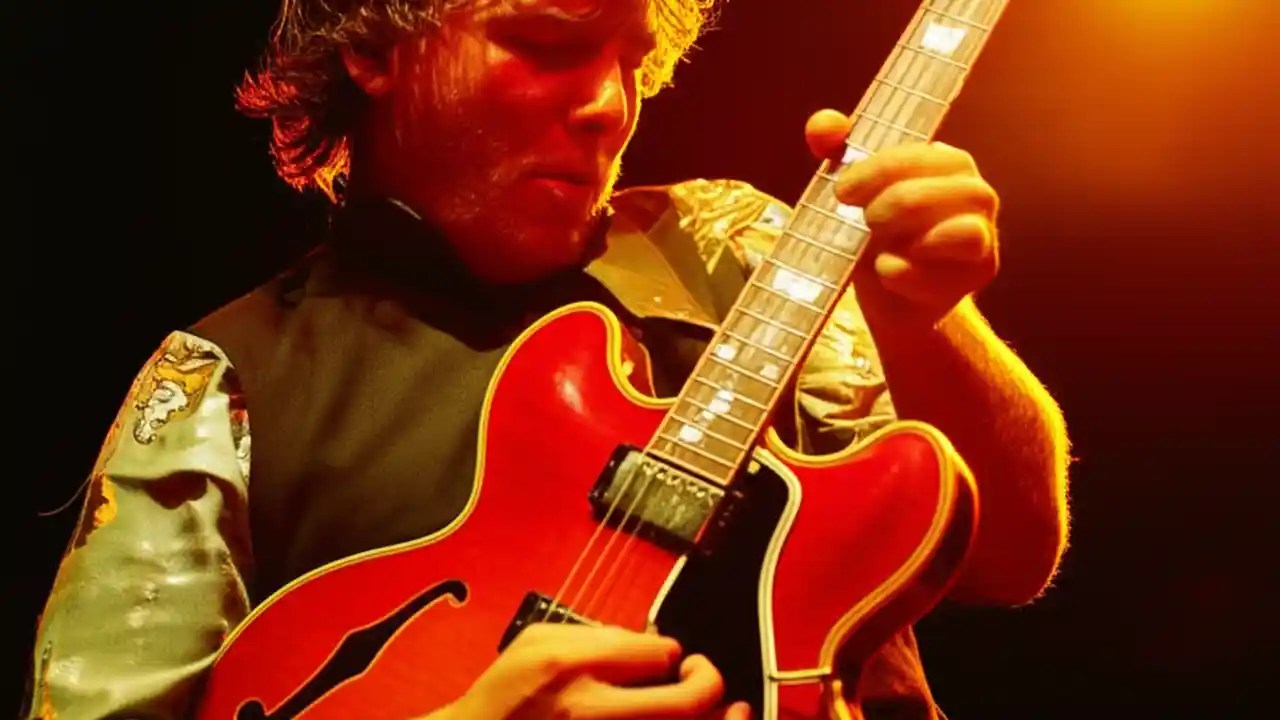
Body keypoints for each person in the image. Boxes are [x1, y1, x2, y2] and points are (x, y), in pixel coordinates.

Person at [24, 0, 1071, 718]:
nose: (609, 103)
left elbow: (1008, 559)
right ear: (376, 44)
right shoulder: (219, 377)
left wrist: (925, 315)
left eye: (631, 58)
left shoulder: (739, 249)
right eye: (545, 40)